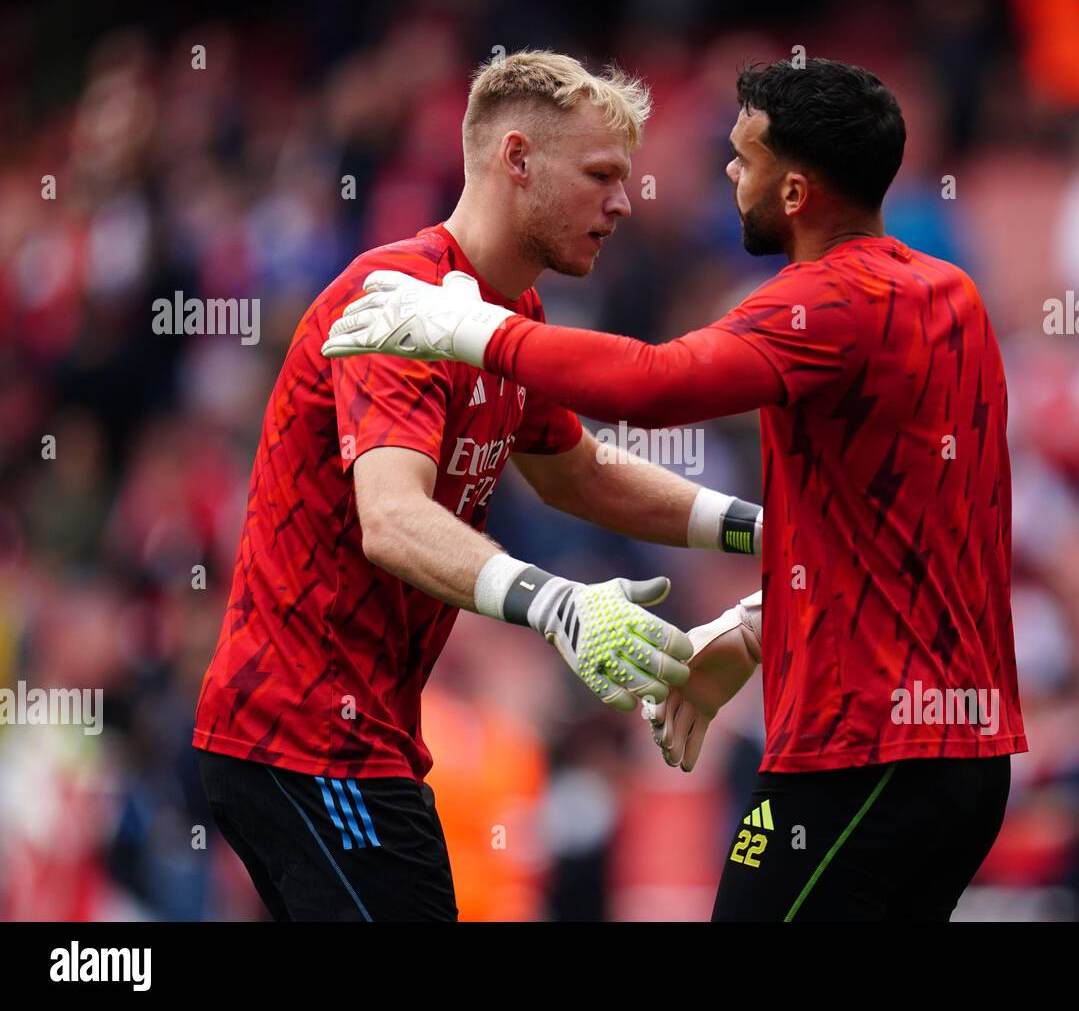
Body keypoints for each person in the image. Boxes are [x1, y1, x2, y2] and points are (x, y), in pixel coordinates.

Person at [324, 57, 1028, 921]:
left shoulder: (828, 302)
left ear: (797, 192)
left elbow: (652, 385)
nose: (729, 172)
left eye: (745, 158)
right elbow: (905, 546)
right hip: (961, 754)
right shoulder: (950, 297)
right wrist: (749, 628)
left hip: (866, 753)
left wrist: (468, 327)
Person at [193, 51, 763, 922]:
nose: (622, 202)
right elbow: (390, 519)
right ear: (518, 158)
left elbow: (583, 475)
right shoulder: (398, 301)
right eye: (602, 174)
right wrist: (554, 604)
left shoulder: (509, 321)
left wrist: (766, 531)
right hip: (303, 739)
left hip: (360, 740)